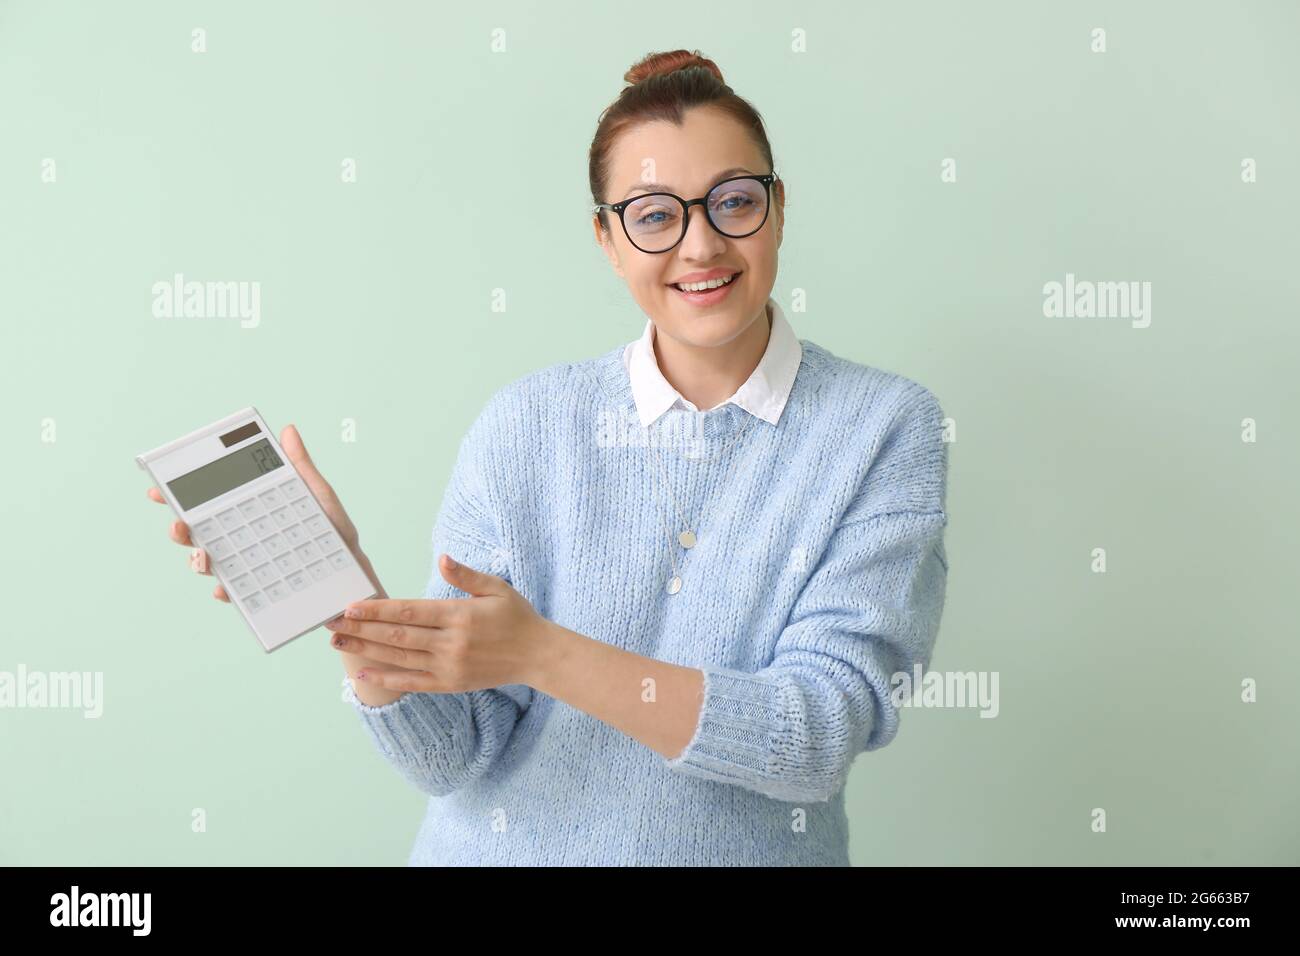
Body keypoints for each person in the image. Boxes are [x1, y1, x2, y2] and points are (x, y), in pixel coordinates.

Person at [147, 49, 950, 866]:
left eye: (733, 202)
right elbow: (454, 755)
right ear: (607, 239)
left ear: (778, 210)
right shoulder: (527, 424)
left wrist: (540, 652)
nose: (701, 245)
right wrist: (348, 606)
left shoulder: (882, 427)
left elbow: (815, 734)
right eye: (654, 216)